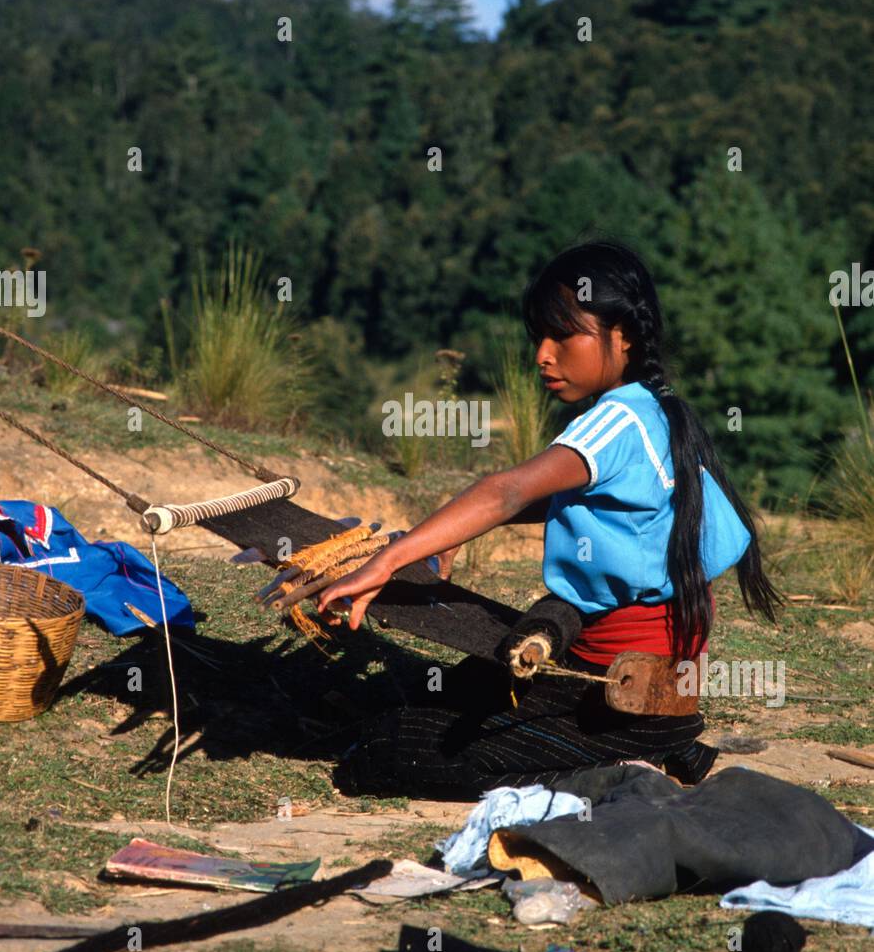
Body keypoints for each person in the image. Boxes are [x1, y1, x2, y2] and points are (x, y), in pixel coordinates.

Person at [317, 239, 782, 795]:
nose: (543, 353)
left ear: (625, 335)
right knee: (441, 691)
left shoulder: (611, 422)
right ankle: (655, 744)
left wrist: (386, 561)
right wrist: (462, 529)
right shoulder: (658, 414)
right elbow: (570, 502)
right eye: (539, 336)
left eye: (564, 335)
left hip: (616, 692)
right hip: (658, 687)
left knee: (394, 748)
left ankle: (622, 767)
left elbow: (507, 490)